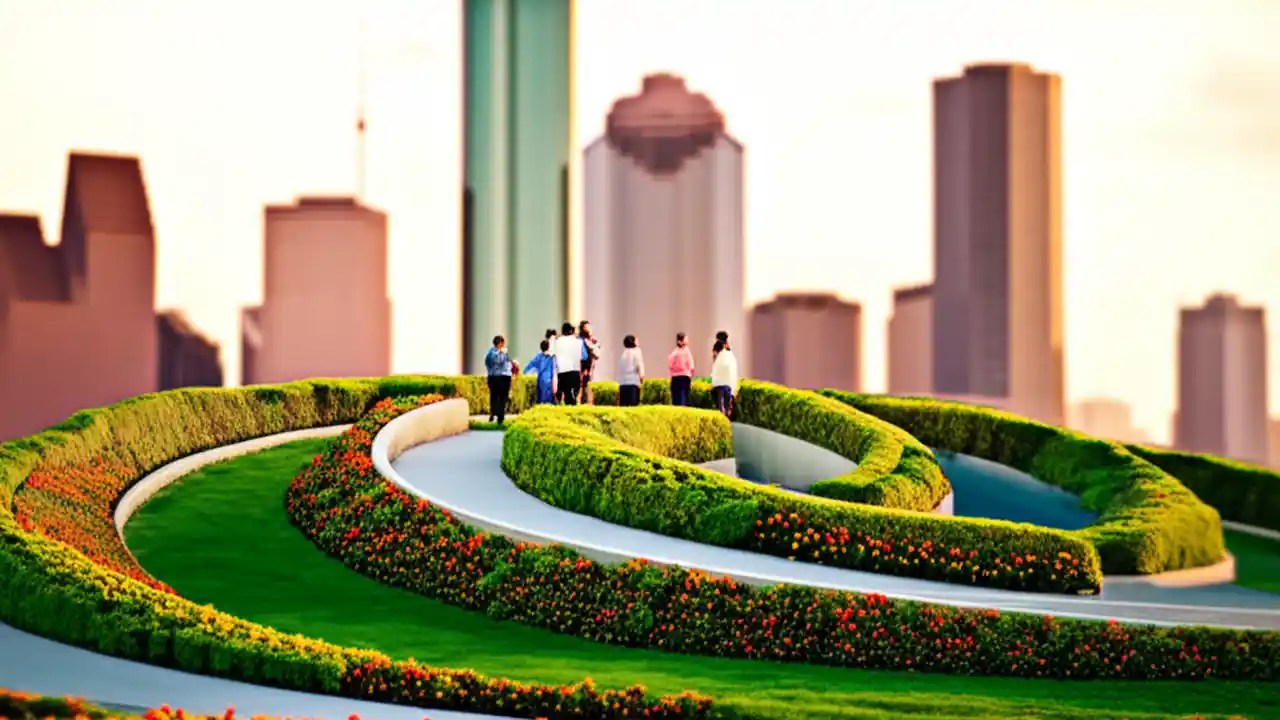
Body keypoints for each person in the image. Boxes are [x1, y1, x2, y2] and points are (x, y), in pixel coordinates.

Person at [484, 335, 518, 424]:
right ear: (500, 343)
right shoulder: (495, 353)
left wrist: (512, 363)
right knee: (502, 397)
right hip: (501, 377)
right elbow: (499, 362)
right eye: (502, 343)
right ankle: (500, 416)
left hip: (493, 377)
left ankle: (494, 413)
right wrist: (501, 353)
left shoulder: (490, 352)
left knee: (495, 396)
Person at [552, 322, 584, 405]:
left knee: (566, 392)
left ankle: (568, 406)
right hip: (575, 370)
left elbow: (553, 355)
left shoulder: (557, 341)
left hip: (562, 371)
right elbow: (584, 356)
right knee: (573, 393)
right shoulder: (579, 341)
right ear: (571, 330)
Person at [710, 338, 739, 419]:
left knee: (721, 408)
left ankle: (723, 422)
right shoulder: (729, 356)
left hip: (719, 386)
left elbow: (715, 374)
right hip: (728, 386)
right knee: (726, 407)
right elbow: (732, 372)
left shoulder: (719, 359)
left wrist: (712, 384)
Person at [524, 339, 558, 405]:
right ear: (548, 347)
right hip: (549, 379)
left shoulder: (538, 356)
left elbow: (530, 365)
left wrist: (525, 371)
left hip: (541, 379)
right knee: (549, 398)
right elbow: (556, 367)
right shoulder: (552, 356)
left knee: (541, 397)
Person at [667, 332, 695, 406]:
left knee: (679, 399)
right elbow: (691, 365)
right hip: (682, 377)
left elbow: (670, 365)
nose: (687, 341)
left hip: (679, 377)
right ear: (680, 341)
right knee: (682, 399)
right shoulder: (679, 352)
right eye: (686, 339)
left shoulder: (677, 352)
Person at [578, 320, 602, 404]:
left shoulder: (592, 341)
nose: (589, 329)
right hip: (582, 368)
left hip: (589, 368)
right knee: (582, 388)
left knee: (587, 387)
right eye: (586, 327)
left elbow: (597, 354)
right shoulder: (580, 340)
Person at [618, 335, 645, 407]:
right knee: (633, 408)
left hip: (623, 384)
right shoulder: (637, 351)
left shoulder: (623, 354)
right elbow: (640, 366)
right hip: (633, 384)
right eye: (637, 340)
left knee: (624, 409)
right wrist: (642, 380)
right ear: (633, 342)